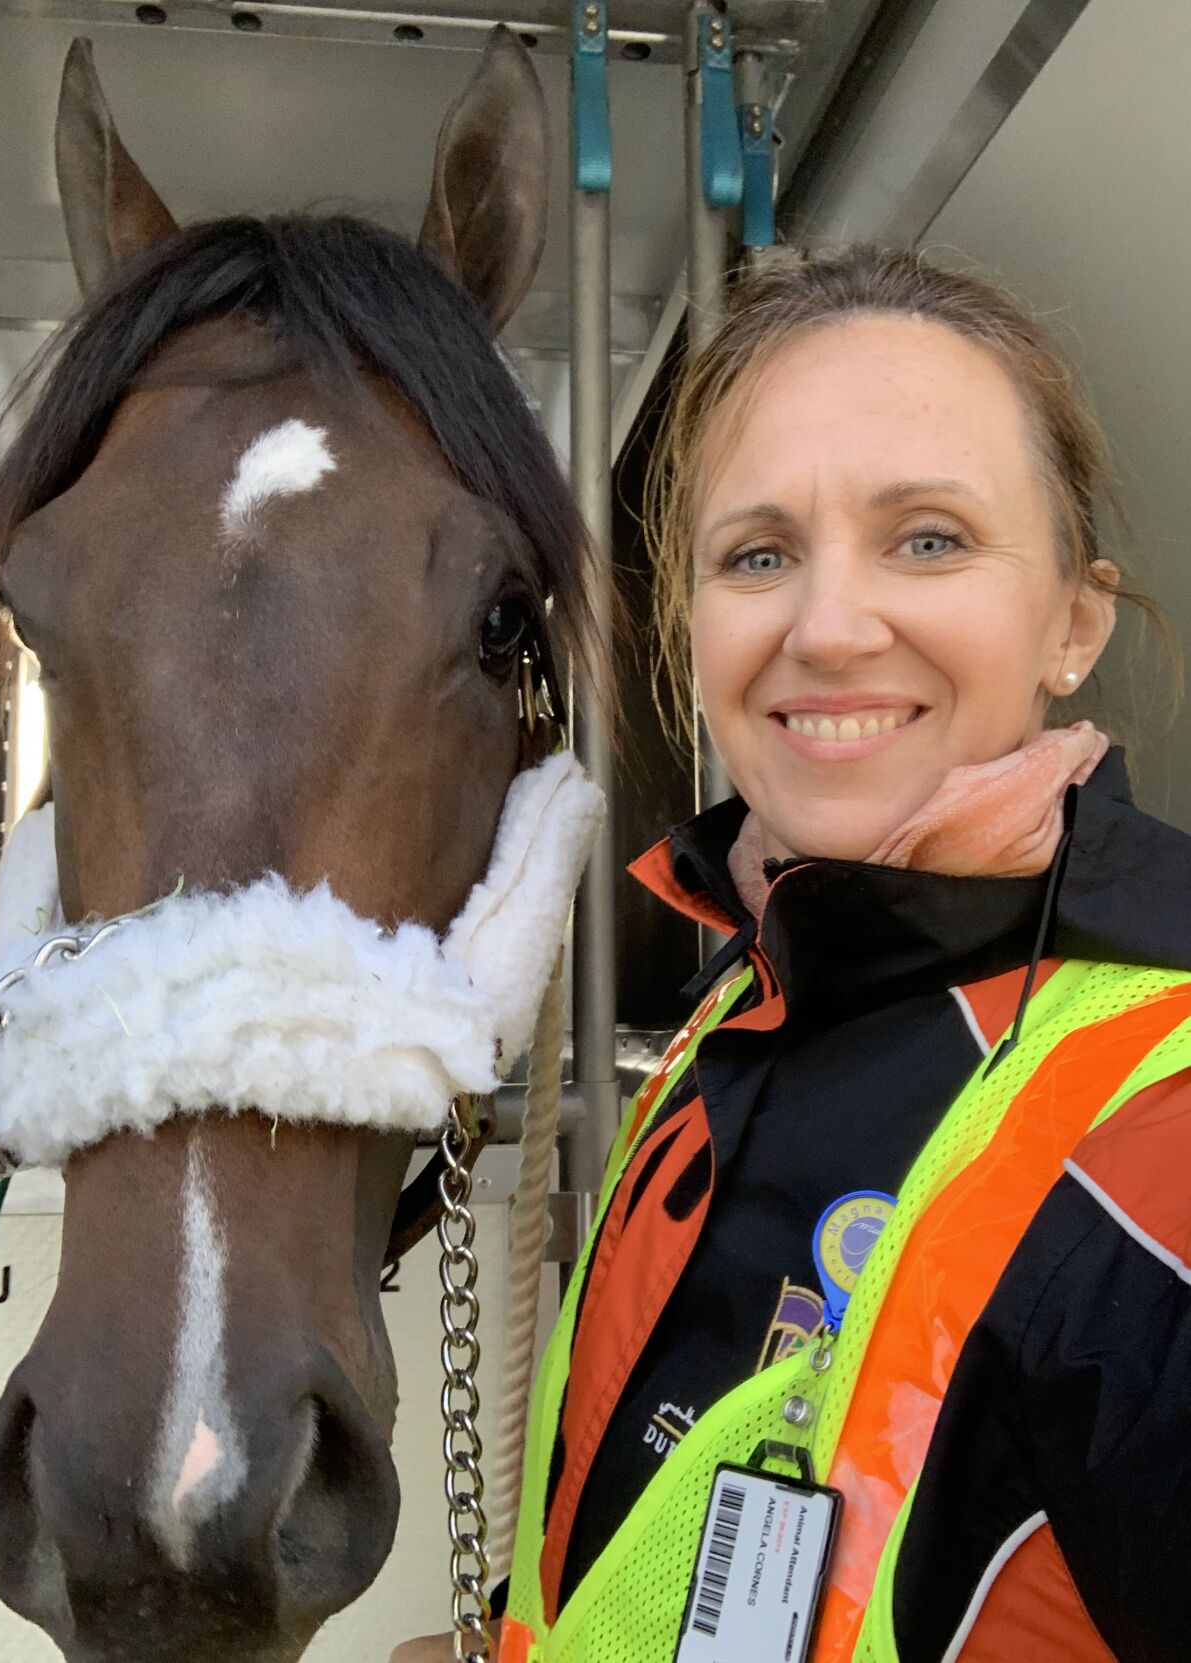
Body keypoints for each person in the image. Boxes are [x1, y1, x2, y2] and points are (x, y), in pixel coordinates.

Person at [406, 246, 1191, 1663]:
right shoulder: (751, 992)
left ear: (1074, 623)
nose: (826, 631)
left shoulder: (1162, 1137)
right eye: (758, 555)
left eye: (929, 539)